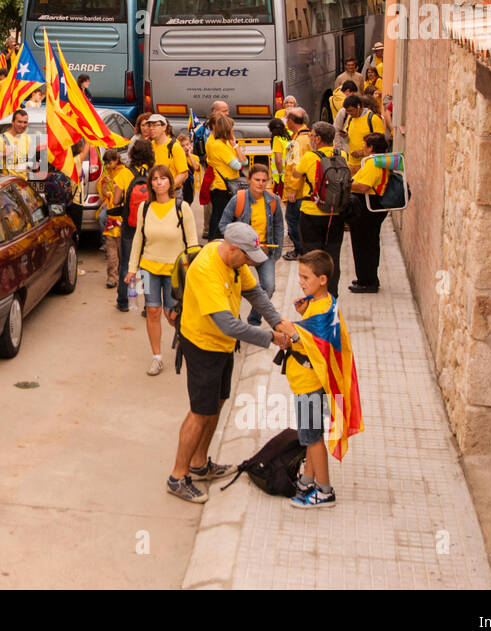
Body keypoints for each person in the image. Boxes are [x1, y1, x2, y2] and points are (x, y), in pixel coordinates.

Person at [166, 222, 295, 503]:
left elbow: (255, 293)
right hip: (202, 346)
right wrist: (270, 336)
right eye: (247, 257)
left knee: (217, 403)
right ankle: (178, 476)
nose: (250, 263)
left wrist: (279, 321)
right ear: (233, 249)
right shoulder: (206, 270)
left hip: (222, 347)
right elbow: (227, 324)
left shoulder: (235, 263)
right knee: (200, 412)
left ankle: (199, 464)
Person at [125, 164, 198, 377]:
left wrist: (194, 269)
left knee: (172, 314)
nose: (159, 182)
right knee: (153, 311)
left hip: (176, 270)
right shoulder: (144, 208)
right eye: (154, 179)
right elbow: (138, 238)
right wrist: (132, 269)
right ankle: (157, 357)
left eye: (163, 178)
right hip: (148, 268)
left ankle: (190, 347)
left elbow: (192, 242)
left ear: (170, 182)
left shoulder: (182, 207)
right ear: (151, 184)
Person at [284, 250, 344, 508]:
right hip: (309, 383)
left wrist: (294, 332)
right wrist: (304, 315)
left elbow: (316, 345)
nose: (301, 281)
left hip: (309, 384)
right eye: (300, 276)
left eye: (306, 277)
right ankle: (307, 479)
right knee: (311, 435)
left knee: (313, 438)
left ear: (322, 279)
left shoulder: (321, 311)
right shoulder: (323, 303)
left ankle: (324, 490)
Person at [218, 163, 284, 326]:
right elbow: (223, 224)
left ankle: (254, 320)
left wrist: (277, 252)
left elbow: (278, 227)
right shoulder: (238, 199)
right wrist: (237, 240)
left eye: (264, 180)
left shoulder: (273, 201)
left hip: (264, 251)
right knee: (234, 289)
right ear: (249, 180)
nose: (261, 183)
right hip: (241, 252)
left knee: (268, 287)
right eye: (257, 180)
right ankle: (234, 321)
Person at [296, 121, 346, 291]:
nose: (310, 139)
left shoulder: (310, 157)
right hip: (335, 214)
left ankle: (314, 294)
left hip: (311, 213)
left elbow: (297, 173)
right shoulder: (342, 156)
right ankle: (332, 295)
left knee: (312, 258)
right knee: (333, 256)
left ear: (318, 139)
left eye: (311, 136)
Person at [113, 138, 154, 312]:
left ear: (131, 154)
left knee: (127, 264)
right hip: (150, 225)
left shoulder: (124, 173)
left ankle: (124, 302)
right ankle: (148, 305)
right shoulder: (154, 173)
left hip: (130, 225)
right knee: (147, 265)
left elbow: (116, 201)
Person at [348, 131, 392, 293]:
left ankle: (367, 281)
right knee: (369, 244)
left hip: (367, 207)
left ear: (371, 147)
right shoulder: (379, 161)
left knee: (363, 245)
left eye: (365, 145)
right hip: (373, 206)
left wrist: (344, 184)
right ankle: (367, 277)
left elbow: (363, 186)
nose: (363, 148)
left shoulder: (374, 163)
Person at [200, 114, 245, 241]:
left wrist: (235, 147)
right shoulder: (218, 145)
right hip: (222, 187)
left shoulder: (225, 143)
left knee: (220, 216)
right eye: (231, 128)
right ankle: (214, 242)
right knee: (220, 218)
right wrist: (238, 152)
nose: (233, 130)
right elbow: (238, 165)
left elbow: (244, 162)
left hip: (226, 186)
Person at [281, 108, 312, 260]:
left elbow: (296, 166)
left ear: (292, 121)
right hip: (304, 189)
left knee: (293, 220)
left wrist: (292, 189)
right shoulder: (306, 137)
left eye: (287, 118)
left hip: (298, 190)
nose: (286, 121)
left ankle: (300, 249)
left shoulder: (299, 141)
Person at [340, 94, 387, 175]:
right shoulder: (350, 118)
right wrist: (345, 136)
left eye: (351, 111)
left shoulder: (373, 119)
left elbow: (381, 143)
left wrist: (363, 152)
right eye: (347, 112)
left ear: (358, 106)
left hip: (368, 164)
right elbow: (348, 139)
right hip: (352, 163)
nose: (350, 113)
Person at [0, 108, 32, 179]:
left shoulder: (27, 138)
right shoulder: (2, 139)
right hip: (8, 183)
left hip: (22, 183)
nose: (22, 125)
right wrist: (4, 153)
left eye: (25, 122)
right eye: (19, 122)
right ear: (13, 122)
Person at [98, 148, 124, 288]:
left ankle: (122, 274)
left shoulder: (124, 173)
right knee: (111, 250)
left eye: (109, 163)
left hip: (122, 218)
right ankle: (112, 277)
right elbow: (105, 194)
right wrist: (105, 185)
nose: (107, 166)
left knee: (121, 250)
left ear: (116, 160)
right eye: (105, 163)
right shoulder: (107, 173)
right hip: (111, 218)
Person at [147, 115, 189, 193]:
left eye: (155, 125)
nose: (151, 128)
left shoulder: (175, 147)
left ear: (164, 127)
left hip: (172, 192)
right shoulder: (150, 145)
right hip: (155, 191)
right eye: (149, 126)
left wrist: (168, 188)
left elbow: (183, 173)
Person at [177, 131, 201, 206]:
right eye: (183, 146)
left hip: (189, 186)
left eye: (187, 144)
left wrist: (190, 155)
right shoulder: (177, 157)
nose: (186, 147)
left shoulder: (194, 157)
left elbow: (196, 167)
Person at [268, 117, 289, 197]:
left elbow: (278, 160)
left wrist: (280, 173)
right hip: (289, 172)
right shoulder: (288, 135)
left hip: (281, 176)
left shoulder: (277, 139)